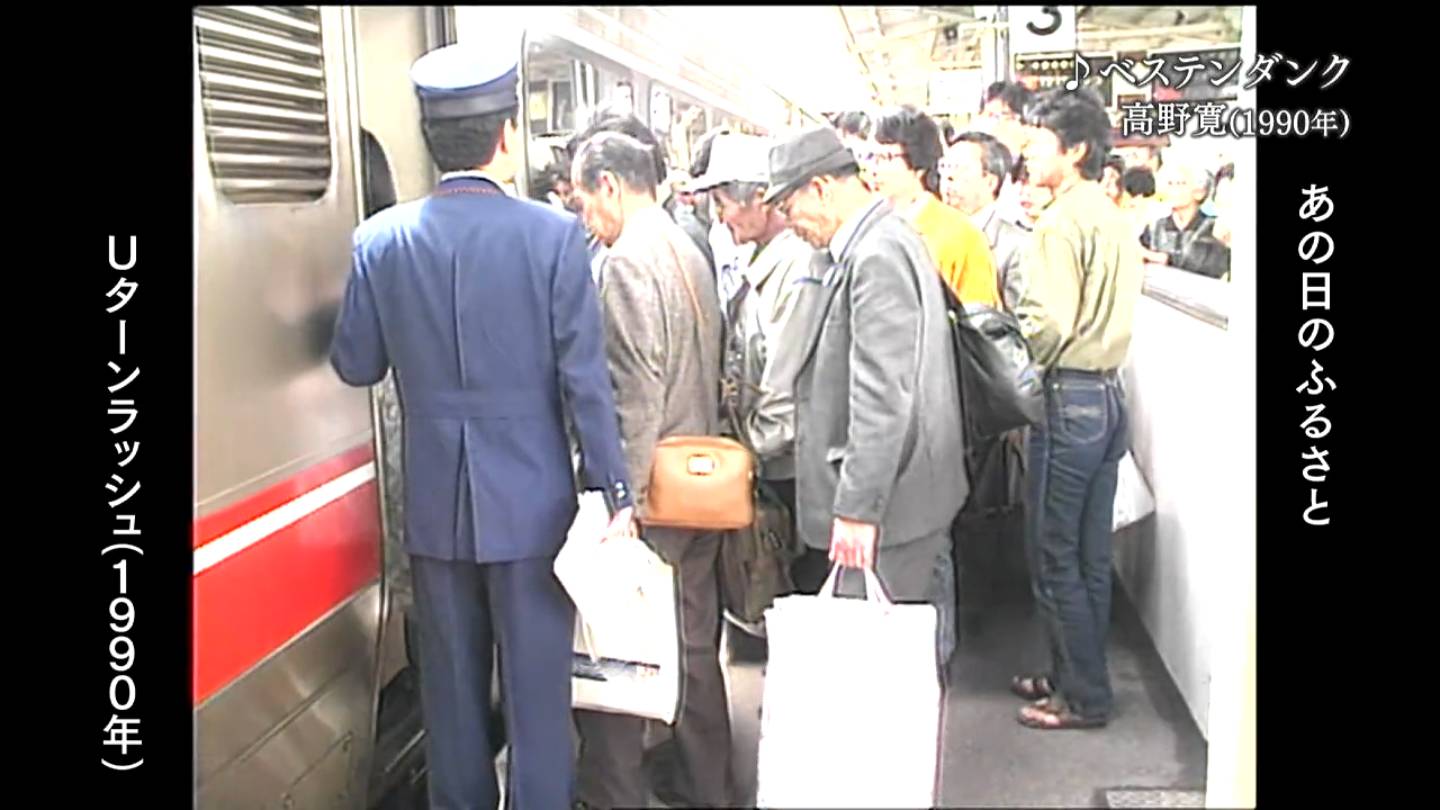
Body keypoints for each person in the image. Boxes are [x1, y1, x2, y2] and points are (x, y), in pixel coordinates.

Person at [329, 42, 636, 810]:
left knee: (453, 706)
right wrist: (613, 488)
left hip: (435, 511)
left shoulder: (379, 241)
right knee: (538, 706)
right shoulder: (554, 237)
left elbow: (356, 364)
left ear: (431, 141)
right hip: (534, 513)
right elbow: (584, 383)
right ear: (507, 137)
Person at [567, 131, 731, 809]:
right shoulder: (683, 246)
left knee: (629, 650)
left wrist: (618, 500)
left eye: (584, 201)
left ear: (610, 185)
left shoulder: (626, 262)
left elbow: (635, 393)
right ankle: (706, 783)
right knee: (692, 643)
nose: (583, 218)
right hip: (698, 483)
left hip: (656, 492)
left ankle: (622, 791)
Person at [765, 126, 969, 666]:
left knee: (871, 665)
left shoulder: (876, 255)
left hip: (890, 509)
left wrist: (858, 510)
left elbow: (884, 398)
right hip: (895, 501)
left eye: (789, 206)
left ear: (822, 189)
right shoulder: (871, 243)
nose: (789, 223)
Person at [1010, 88, 1145, 731]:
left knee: (1052, 553)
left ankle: (1081, 697)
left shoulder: (1061, 221)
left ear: (1077, 151)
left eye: (1038, 142)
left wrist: (1021, 346)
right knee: (1089, 556)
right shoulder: (1113, 214)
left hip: (1068, 397)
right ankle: (1076, 674)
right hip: (1107, 397)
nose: (1027, 152)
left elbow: (1050, 321)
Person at [690, 133, 821, 534]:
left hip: (789, 469)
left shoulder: (796, 269)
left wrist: (753, 454)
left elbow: (786, 379)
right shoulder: (764, 259)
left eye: (722, 204)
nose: (719, 217)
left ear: (760, 199)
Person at [863, 106, 1000, 307]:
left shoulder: (960, 235)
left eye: (886, 158)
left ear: (918, 165)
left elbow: (981, 323)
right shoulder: (866, 226)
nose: (874, 169)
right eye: (870, 157)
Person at [941, 131, 1030, 311]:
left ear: (990, 182)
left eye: (960, 168)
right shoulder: (932, 232)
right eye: (945, 167)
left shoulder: (1017, 247)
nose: (948, 177)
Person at [1141, 164, 1231, 278]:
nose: (1172, 190)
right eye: (1169, 184)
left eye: (1180, 184)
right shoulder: (1154, 227)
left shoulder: (1213, 228)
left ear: (1199, 192)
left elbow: (1209, 267)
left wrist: (1167, 259)